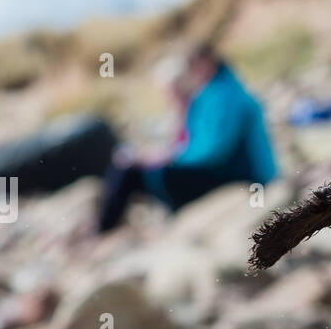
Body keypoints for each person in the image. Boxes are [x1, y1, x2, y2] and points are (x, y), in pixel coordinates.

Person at [95, 45, 277, 233]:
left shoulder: (222, 95)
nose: (192, 73)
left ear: (205, 64)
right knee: (136, 169)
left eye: (193, 66)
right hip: (239, 170)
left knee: (138, 172)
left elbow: (212, 151)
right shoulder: (218, 92)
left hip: (245, 176)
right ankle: (107, 227)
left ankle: (102, 231)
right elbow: (197, 145)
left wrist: (168, 159)